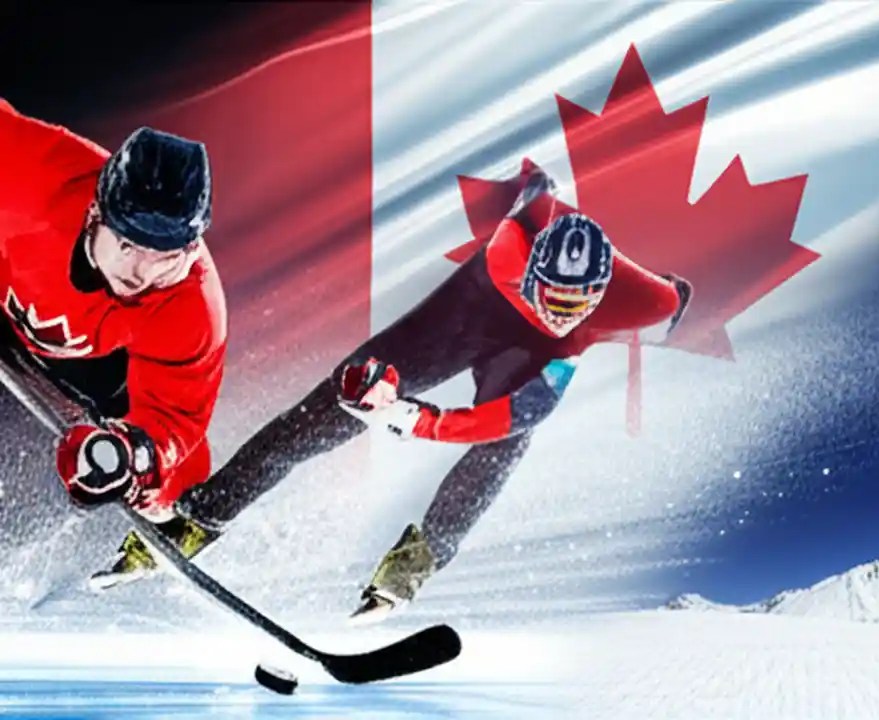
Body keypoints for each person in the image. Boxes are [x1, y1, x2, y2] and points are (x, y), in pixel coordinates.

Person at [93, 159, 692, 625]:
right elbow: (535, 196)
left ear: (600, 295)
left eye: (575, 305)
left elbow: (499, 419)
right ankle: (200, 515)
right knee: (332, 407)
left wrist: (416, 419)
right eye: (552, 298)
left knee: (506, 443)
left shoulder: (638, 304)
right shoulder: (512, 245)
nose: (560, 314)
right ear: (533, 269)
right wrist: (535, 180)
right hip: (471, 311)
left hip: (528, 360)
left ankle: (417, 561)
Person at [0, 100, 227, 545]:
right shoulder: (27, 170)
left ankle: (173, 521)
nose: (141, 272)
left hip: (95, 359)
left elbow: (173, 416)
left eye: (164, 257)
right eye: (126, 243)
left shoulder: (193, 305)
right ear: (94, 215)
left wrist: (131, 456)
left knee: (166, 466)